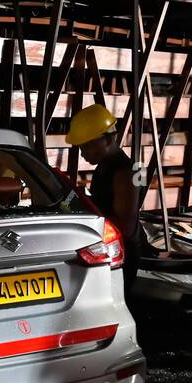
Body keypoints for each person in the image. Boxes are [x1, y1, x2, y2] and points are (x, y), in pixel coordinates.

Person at [66, 103, 143, 288]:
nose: (83, 153)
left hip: (120, 255)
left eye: (87, 145)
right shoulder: (106, 165)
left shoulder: (127, 172)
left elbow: (124, 225)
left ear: (109, 139)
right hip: (109, 249)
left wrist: (83, 209)